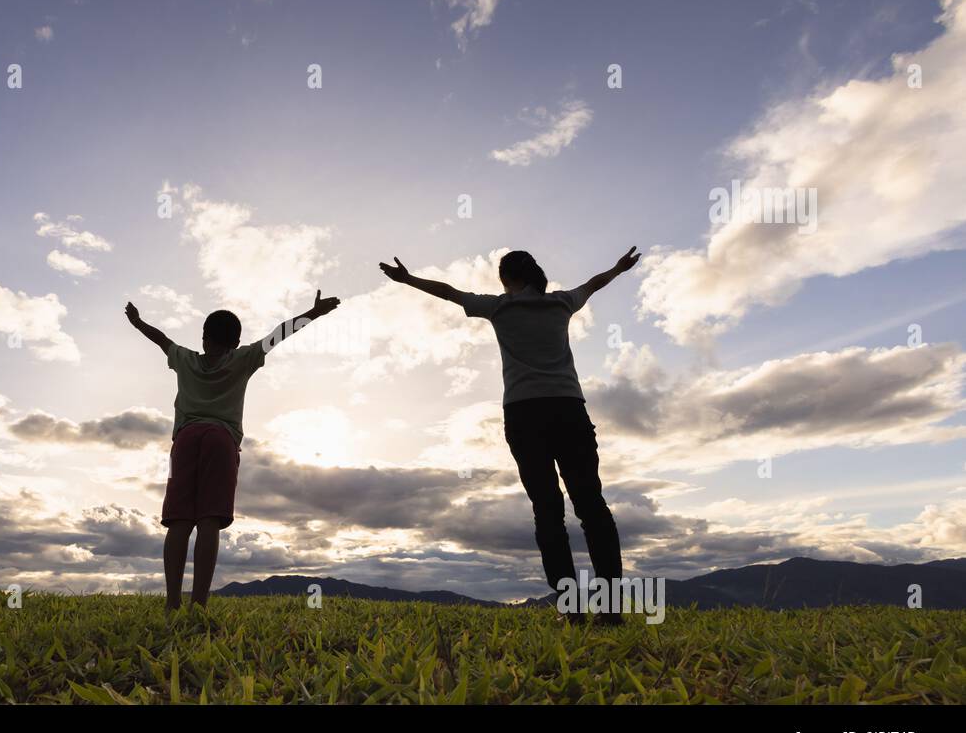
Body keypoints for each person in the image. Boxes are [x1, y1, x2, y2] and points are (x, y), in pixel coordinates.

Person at [378, 247, 641, 625]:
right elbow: (594, 284)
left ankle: (572, 611)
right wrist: (619, 267)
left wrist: (408, 280)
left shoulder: (500, 308)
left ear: (506, 278)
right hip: (569, 409)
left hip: (524, 413)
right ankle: (611, 611)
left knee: (548, 510)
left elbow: (449, 292)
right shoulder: (562, 303)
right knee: (591, 506)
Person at [125, 291, 341, 610]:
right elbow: (278, 334)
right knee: (210, 521)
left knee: (179, 522)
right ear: (236, 342)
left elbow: (161, 339)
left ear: (204, 338)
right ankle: (199, 604)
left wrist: (138, 321)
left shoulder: (184, 359)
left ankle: (172, 603)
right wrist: (315, 312)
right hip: (221, 439)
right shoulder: (244, 359)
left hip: (185, 439)